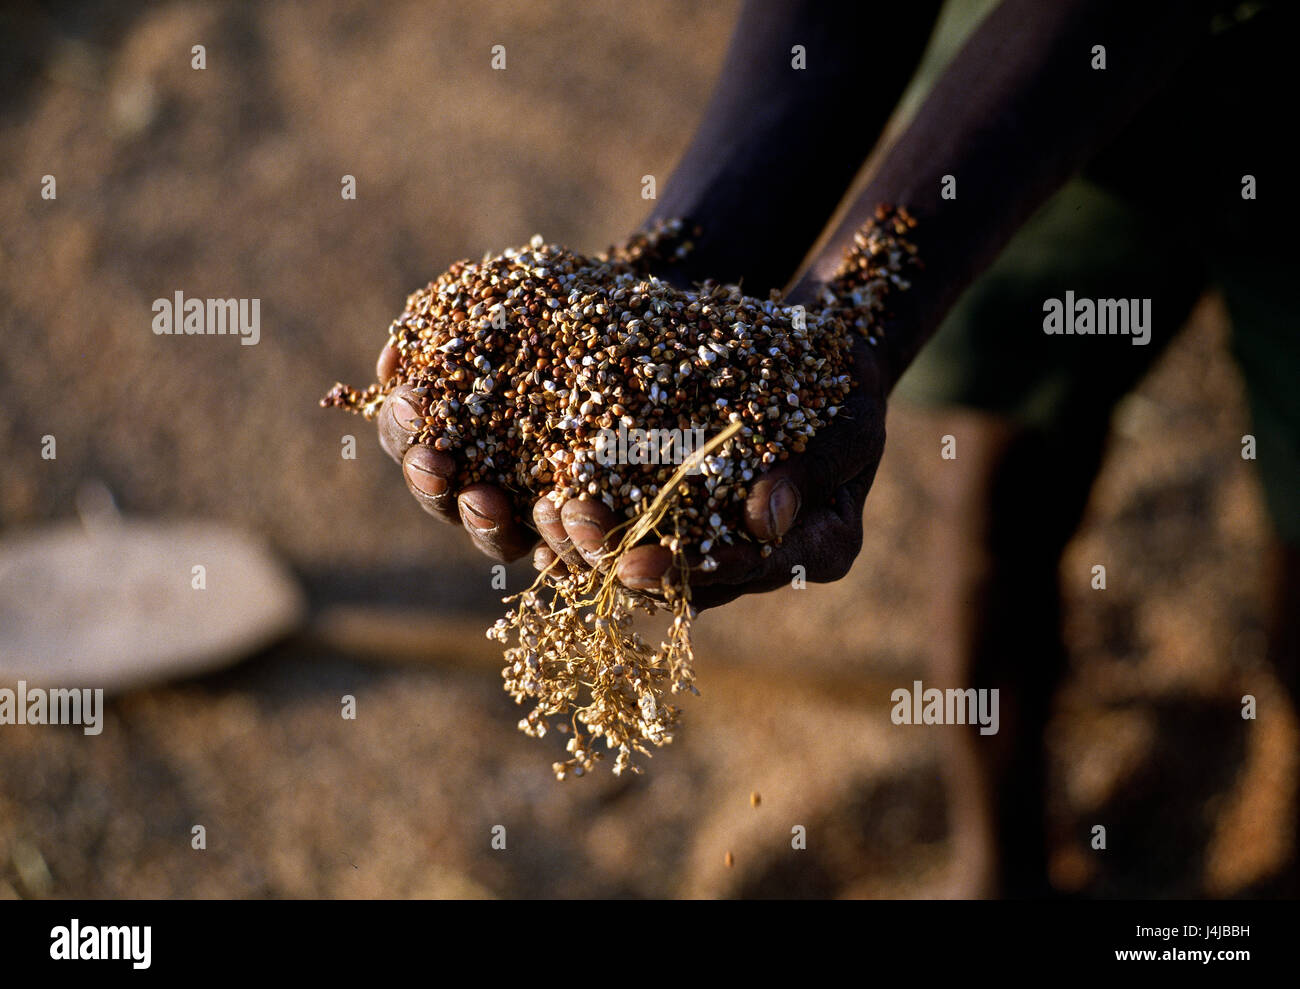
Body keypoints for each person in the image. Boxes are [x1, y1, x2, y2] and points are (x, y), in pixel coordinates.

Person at [372, 0, 1297, 895]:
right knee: (1000, 492)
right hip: (1016, 101)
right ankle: (1000, 868)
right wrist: (691, 253)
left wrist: (856, 318)